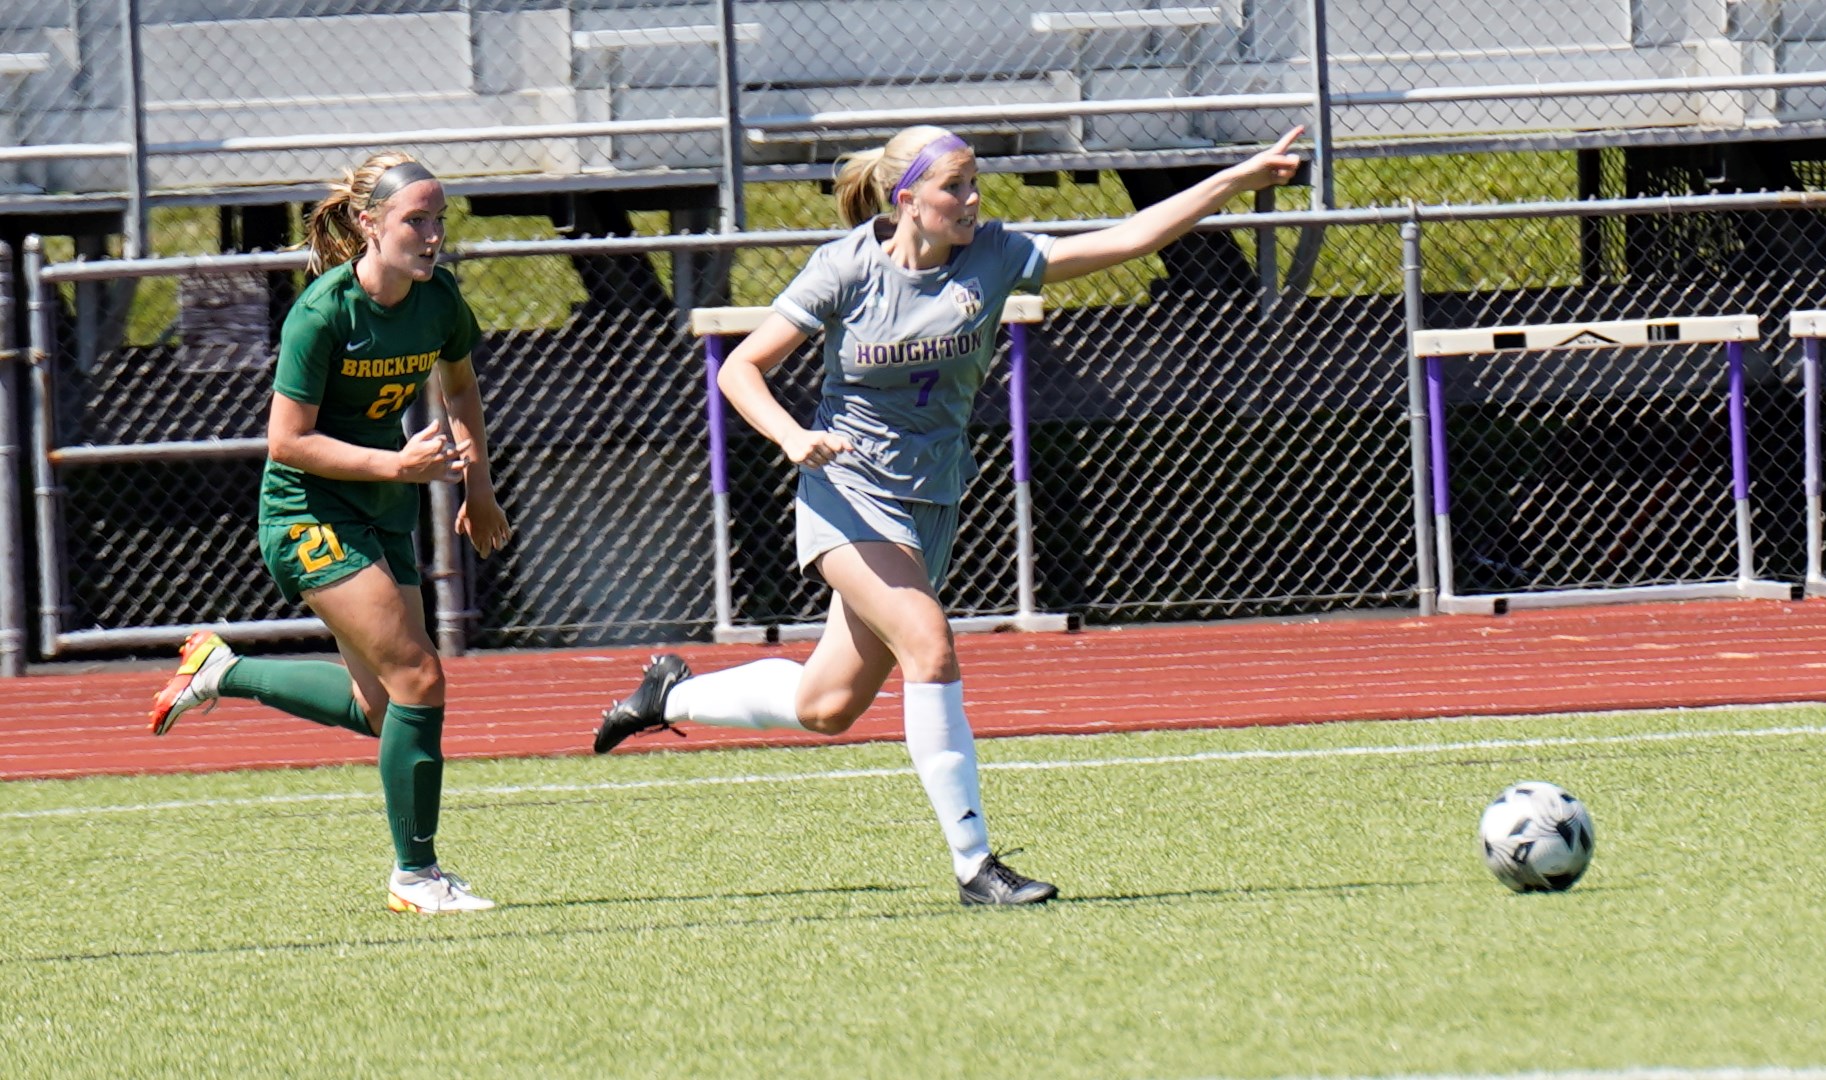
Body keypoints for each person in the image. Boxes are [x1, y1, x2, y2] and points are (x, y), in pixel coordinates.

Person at [594, 125, 1305, 906]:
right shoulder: (845, 269)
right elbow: (741, 369)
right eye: (954, 188)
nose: (972, 200)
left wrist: (1234, 181)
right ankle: (975, 866)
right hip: (847, 494)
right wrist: (794, 437)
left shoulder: (993, 258)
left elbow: (1128, 237)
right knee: (929, 650)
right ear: (907, 201)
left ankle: (668, 696)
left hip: (931, 498)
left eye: (974, 185)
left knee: (826, 705)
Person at [148, 151, 512, 915]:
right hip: (307, 512)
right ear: (366, 221)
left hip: (381, 504)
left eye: (440, 219)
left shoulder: (437, 297)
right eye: (416, 219)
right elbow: (285, 441)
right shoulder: (323, 312)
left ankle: (224, 671)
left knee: (384, 708)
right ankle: (415, 877)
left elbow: (461, 386)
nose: (433, 235)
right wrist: (395, 465)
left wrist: (478, 488)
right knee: (419, 679)